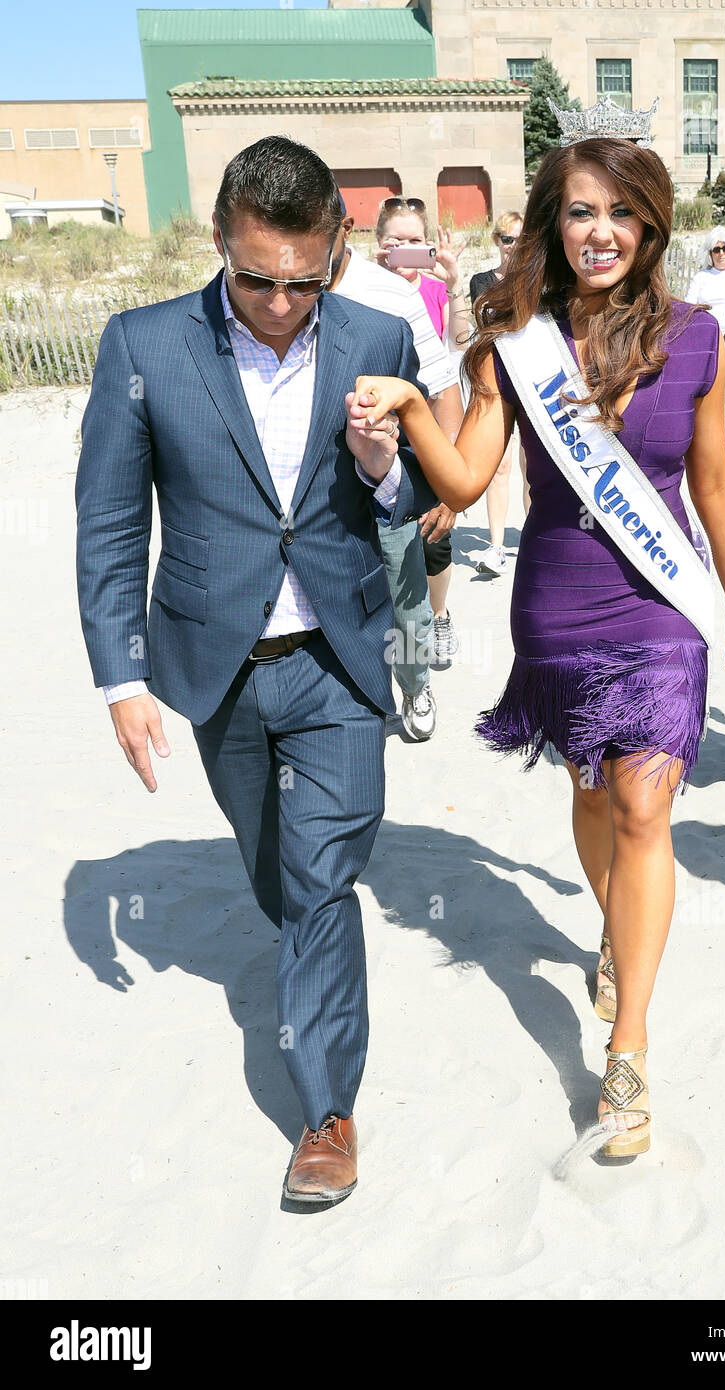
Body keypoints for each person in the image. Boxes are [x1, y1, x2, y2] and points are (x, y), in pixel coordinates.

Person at [348, 122, 725, 1156]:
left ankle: (626, 1049)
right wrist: (409, 403)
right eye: (582, 210)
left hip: (664, 611)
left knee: (641, 804)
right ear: (553, 221)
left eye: (623, 211)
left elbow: (710, 480)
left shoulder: (695, 338)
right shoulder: (513, 340)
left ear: (653, 224)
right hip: (561, 604)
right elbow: (464, 479)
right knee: (590, 792)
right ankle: (617, 936)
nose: (602, 230)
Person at [75, 137, 436, 1205]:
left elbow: (416, 500)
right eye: (256, 278)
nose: (281, 303)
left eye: (303, 279)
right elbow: (107, 525)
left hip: (341, 654)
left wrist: (381, 467)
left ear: (336, 250)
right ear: (219, 240)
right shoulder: (141, 345)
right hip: (211, 662)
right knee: (279, 871)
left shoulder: (381, 334)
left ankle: (327, 1111)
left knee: (324, 877)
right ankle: (308, 951)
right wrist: (118, 675)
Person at [328, 199, 463, 740]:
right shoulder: (278, 296)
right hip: (316, 497)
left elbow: (444, 392)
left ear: (344, 228)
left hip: (391, 488)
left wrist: (446, 489)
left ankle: (415, 683)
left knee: (408, 607)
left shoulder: (394, 296)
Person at [375, 197, 468, 664]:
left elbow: (461, 343)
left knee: (434, 532)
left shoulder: (434, 291)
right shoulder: (363, 289)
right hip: (381, 425)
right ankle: (392, 632)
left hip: (433, 419)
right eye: (396, 243)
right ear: (378, 245)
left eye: (416, 242)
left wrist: (453, 284)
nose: (406, 251)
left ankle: (439, 615)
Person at [469, 211, 531, 577]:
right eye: (508, 240)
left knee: (532, 466)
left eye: (522, 240)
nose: (514, 247)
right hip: (495, 379)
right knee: (500, 466)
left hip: (532, 378)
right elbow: (486, 328)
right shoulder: (482, 282)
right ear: (497, 241)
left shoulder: (538, 282)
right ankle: (495, 546)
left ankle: (529, 537)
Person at [684, 225, 725, 334]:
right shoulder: (701, 277)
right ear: (710, 253)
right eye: (716, 250)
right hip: (705, 334)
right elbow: (689, 307)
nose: (721, 254)